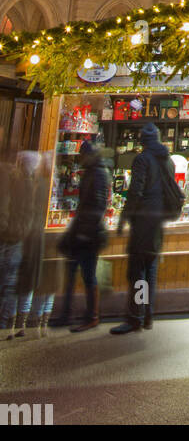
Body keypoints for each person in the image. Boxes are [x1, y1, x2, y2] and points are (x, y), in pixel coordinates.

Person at [112, 122, 172, 333]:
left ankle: (135, 318)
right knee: (151, 270)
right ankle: (147, 314)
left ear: (143, 140)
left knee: (138, 272)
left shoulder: (142, 159)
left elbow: (135, 191)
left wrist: (124, 217)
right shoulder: (167, 160)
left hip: (143, 222)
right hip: (158, 223)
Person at [53, 140, 110, 331]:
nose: (80, 158)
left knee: (88, 275)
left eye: (82, 154)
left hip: (89, 233)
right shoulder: (93, 172)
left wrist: (86, 230)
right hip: (82, 230)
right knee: (74, 273)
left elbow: (99, 205)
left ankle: (91, 316)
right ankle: (68, 313)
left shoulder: (98, 173)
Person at [10, 151, 54, 337]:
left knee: (16, 283)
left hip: (23, 237)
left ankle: (12, 325)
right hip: (37, 238)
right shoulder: (44, 185)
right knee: (26, 283)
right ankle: (29, 324)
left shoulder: (32, 185)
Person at [0, 140, 31, 339]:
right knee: (10, 282)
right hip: (18, 235)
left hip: (7, 235)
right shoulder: (25, 181)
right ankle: (6, 323)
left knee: (6, 279)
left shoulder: (5, 177)